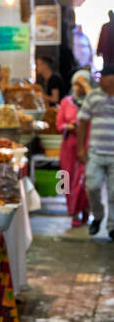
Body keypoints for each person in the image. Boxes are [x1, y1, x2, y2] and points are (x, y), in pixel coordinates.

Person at [76, 69, 114, 238]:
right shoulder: (93, 97)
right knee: (92, 186)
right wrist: (81, 148)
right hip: (95, 152)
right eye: (103, 81)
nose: (103, 84)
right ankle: (98, 216)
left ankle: (112, 226)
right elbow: (83, 122)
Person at [57, 71, 92, 228]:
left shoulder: (92, 103)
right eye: (76, 84)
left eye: (82, 84)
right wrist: (69, 126)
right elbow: (59, 124)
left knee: (87, 180)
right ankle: (73, 212)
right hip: (68, 149)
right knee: (67, 179)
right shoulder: (66, 102)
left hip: (87, 147)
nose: (79, 88)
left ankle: (85, 208)